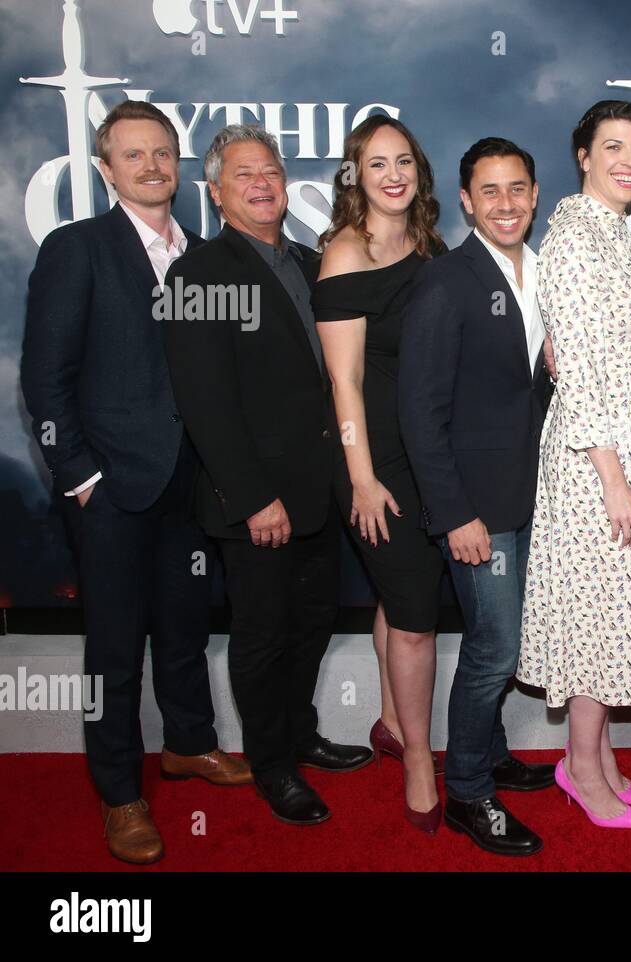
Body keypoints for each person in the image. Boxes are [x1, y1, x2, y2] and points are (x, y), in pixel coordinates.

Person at [20, 100, 249, 865]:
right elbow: (44, 379)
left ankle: (188, 745)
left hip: (191, 485)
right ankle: (120, 793)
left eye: (163, 153)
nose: (152, 166)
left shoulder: (201, 256)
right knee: (114, 651)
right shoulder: (76, 248)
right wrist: (81, 478)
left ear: (178, 164)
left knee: (184, 632)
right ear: (105, 167)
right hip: (112, 489)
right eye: (133, 155)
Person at [162, 124, 372, 828]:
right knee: (263, 635)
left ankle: (300, 732)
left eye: (272, 171)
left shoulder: (314, 264)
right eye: (244, 174)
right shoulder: (198, 273)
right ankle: (272, 764)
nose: (262, 183)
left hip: (321, 493)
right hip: (259, 503)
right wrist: (253, 498)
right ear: (216, 192)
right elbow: (205, 402)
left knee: (311, 623)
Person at [517, 100, 631, 829]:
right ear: (583, 155)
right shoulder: (576, 238)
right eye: (614, 146)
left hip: (628, 448)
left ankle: (600, 755)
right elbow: (576, 371)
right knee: (596, 617)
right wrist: (614, 480)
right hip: (594, 458)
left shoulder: (615, 233)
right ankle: (581, 770)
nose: (630, 161)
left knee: (614, 612)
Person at [399, 137, 556, 856]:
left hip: (530, 495)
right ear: (465, 200)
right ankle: (467, 791)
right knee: (496, 649)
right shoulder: (446, 283)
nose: (505, 203)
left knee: (501, 641)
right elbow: (418, 412)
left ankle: (488, 752)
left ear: (533, 192)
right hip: (475, 509)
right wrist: (454, 513)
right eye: (488, 191)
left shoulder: (541, 272)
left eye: (517, 188)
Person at [313, 116, 447, 835]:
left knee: (402, 597)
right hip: (373, 458)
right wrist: (362, 480)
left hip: (428, 453)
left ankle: (393, 721)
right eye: (376, 165)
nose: (392, 174)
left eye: (403, 161)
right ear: (355, 177)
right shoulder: (345, 255)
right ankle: (421, 757)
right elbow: (345, 383)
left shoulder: (429, 246)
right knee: (417, 614)